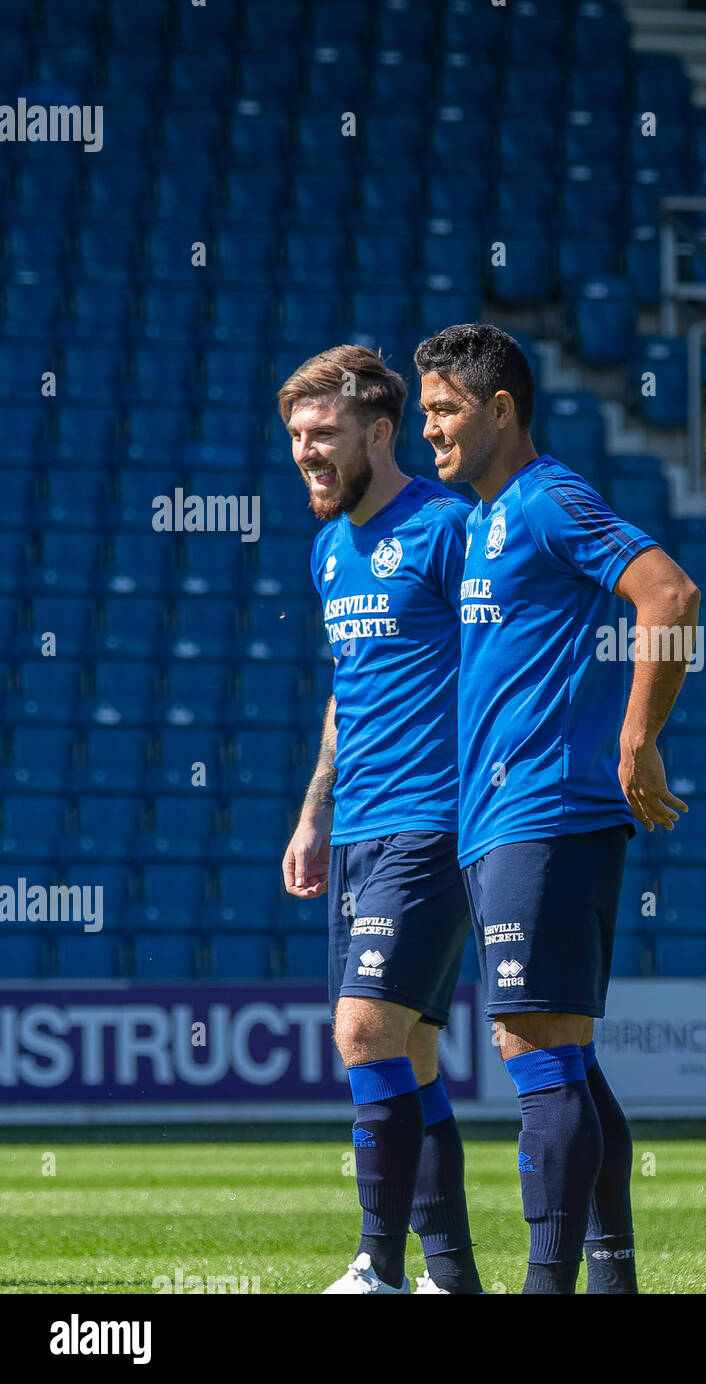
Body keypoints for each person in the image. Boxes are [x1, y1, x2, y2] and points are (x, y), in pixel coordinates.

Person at [415, 323, 700, 1294]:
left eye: (445, 410)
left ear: (501, 409)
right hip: (500, 820)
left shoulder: (546, 496)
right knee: (560, 1052)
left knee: (532, 1046)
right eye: (422, 413)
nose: (429, 431)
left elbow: (667, 593)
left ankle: (549, 1284)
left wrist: (637, 735)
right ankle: (609, 1279)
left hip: (546, 811)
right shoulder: (483, 520)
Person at [278, 345, 480, 1295]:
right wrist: (314, 812)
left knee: (361, 1033)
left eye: (323, 434)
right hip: (356, 824)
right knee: (411, 1051)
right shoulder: (327, 550)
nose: (306, 453)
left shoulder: (448, 527)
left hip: (433, 817)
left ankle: (376, 1268)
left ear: (381, 431)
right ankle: (452, 1275)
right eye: (295, 438)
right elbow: (347, 688)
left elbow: (507, 659)